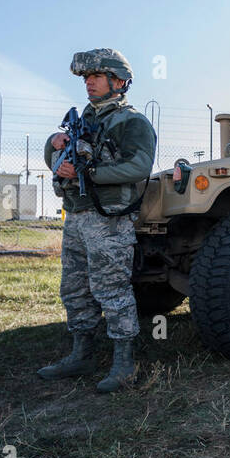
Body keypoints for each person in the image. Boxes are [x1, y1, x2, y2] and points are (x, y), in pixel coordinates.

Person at [38, 48, 156, 393]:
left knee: (111, 289)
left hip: (109, 219)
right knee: (74, 289)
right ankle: (81, 354)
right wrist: (54, 146)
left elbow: (139, 167)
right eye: (86, 78)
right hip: (76, 215)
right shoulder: (84, 121)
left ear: (118, 81)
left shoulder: (130, 122)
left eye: (96, 76)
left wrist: (90, 171)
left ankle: (124, 363)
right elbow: (62, 165)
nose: (88, 83)